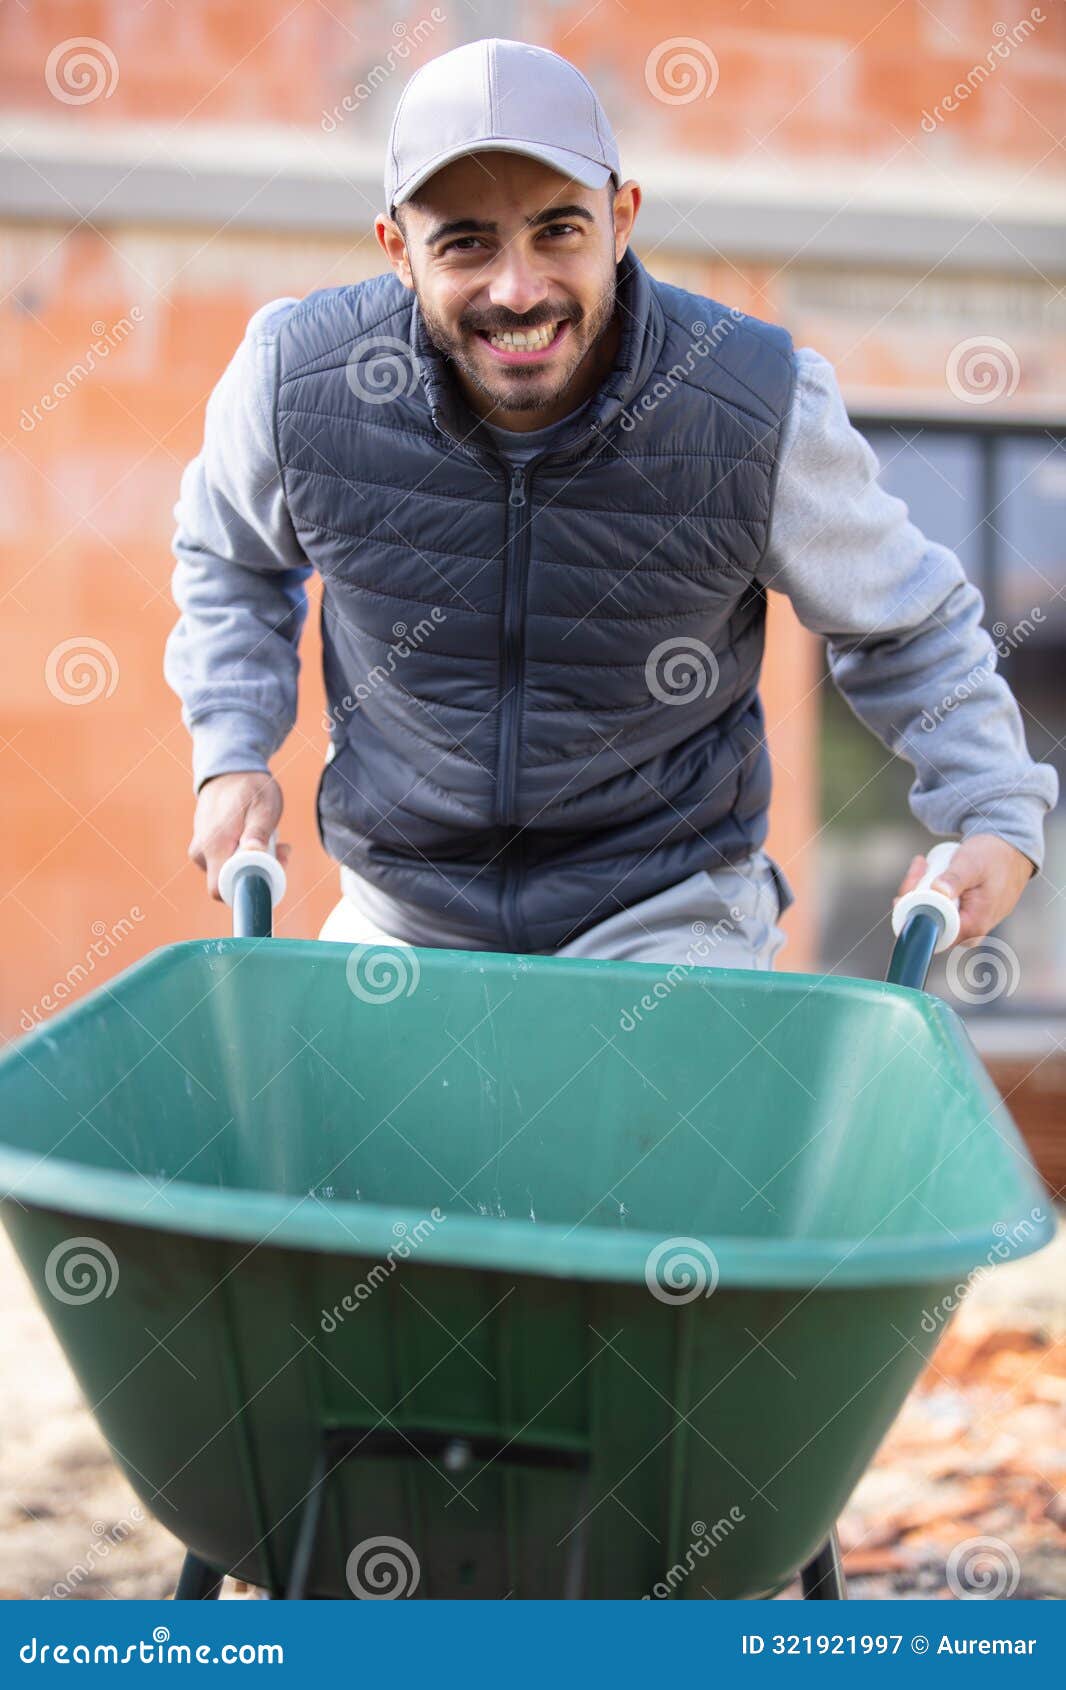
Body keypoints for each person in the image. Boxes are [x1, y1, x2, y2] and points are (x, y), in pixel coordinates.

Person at [165, 37, 1056, 971]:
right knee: (361, 1122)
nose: (518, 289)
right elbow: (230, 557)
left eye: (559, 230)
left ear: (621, 220)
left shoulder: (752, 407)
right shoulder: (299, 384)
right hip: (405, 906)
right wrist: (231, 751)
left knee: (655, 1122)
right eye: (466, 240)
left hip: (667, 907)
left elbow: (902, 626)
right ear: (397, 250)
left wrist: (993, 807)